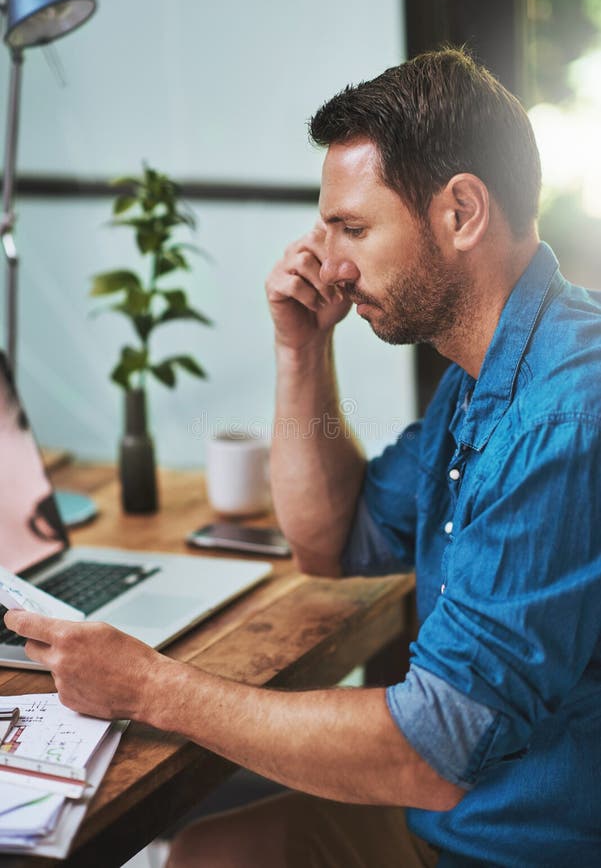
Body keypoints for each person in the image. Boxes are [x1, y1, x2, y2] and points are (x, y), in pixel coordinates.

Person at [5, 48, 601, 867]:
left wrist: (151, 687)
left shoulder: (563, 416)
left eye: (353, 228)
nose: (331, 262)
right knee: (213, 854)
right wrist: (300, 351)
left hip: (523, 844)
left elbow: (427, 752)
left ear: (461, 212)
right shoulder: (486, 372)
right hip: (460, 815)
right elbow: (332, 541)